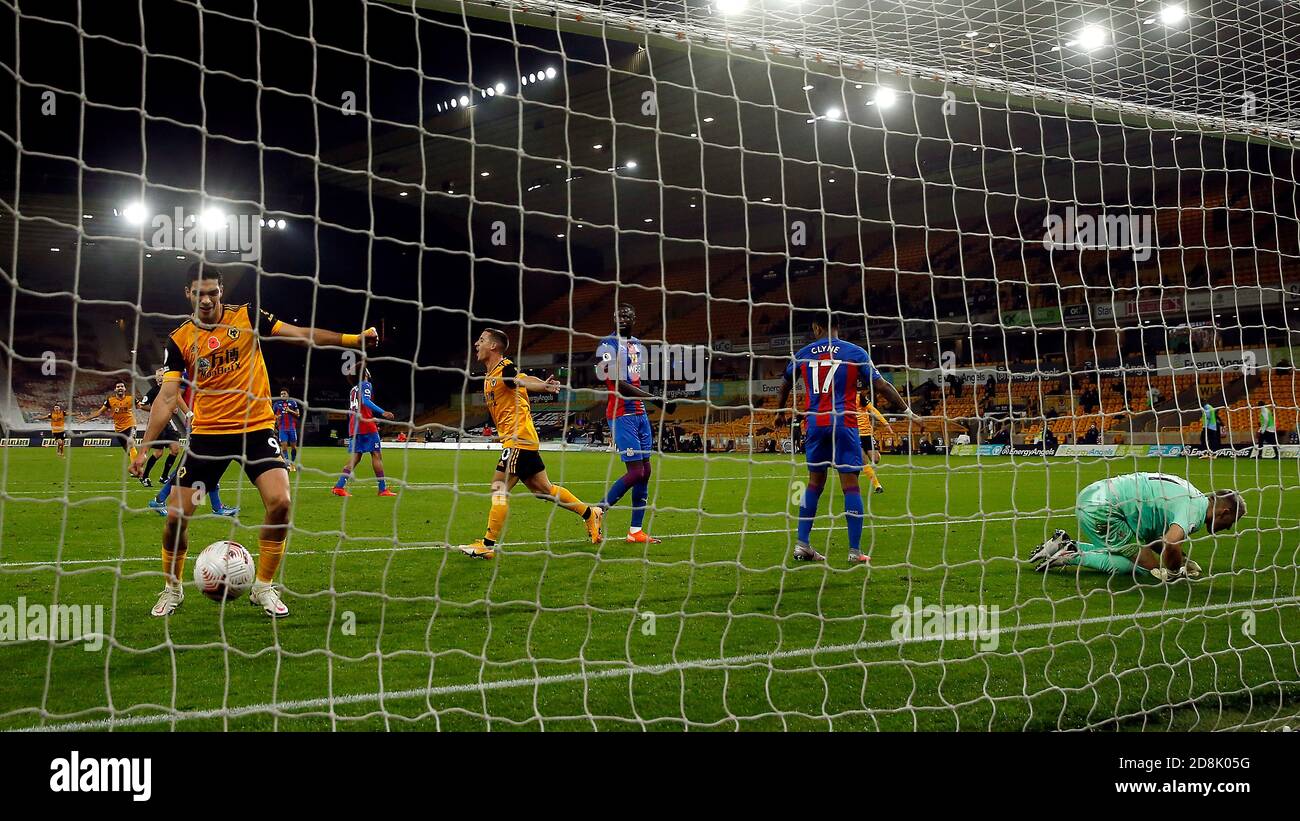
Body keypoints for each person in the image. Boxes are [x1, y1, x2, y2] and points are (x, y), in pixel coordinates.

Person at [131, 262, 377, 618]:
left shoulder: (247, 316)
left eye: (212, 292)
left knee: (280, 502)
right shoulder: (179, 340)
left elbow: (298, 334)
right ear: (188, 293)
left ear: (221, 291)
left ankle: (263, 586)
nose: (206, 300)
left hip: (255, 431)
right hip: (207, 440)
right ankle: (172, 588)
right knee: (177, 517)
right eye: (199, 293)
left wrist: (351, 340)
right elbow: (167, 398)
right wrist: (142, 447)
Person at [774, 311, 921, 564]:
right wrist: (907, 410)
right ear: (838, 327)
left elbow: (786, 381)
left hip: (816, 425)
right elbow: (881, 385)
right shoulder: (854, 352)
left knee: (814, 484)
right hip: (844, 424)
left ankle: (802, 545)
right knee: (850, 486)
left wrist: (779, 412)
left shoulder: (804, 352)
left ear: (816, 327)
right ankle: (854, 552)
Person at [457, 328, 603, 559]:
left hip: (518, 440)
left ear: (493, 346)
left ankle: (487, 544)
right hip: (521, 439)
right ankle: (590, 513)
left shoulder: (505, 368)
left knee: (498, 486)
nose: (477, 343)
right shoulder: (490, 375)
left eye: (482, 340)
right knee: (543, 490)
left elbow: (521, 379)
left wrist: (543, 386)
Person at [1030, 473, 1245, 581]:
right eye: (1231, 522)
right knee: (1143, 569)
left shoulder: (1192, 494)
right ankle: (1072, 553)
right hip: (1104, 509)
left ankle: (1065, 543)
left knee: (1135, 556)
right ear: (1224, 512)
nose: (1228, 529)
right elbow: (1171, 542)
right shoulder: (1195, 510)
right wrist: (1173, 572)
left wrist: (1183, 560)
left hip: (1096, 495)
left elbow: (1158, 537)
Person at [595, 304, 674, 545]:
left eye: (627, 315)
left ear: (634, 319)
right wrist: (656, 400)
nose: (622, 318)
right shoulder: (606, 345)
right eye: (618, 315)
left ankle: (635, 531)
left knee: (645, 472)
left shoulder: (637, 345)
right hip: (620, 413)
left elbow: (634, 378)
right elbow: (617, 383)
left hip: (639, 413)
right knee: (636, 471)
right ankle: (596, 512)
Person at [332, 365, 396, 497]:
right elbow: (365, 401)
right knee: (376, 455)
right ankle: (382, 489)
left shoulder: (353, 389)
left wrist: (370, 417)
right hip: (365, 426)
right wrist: (383, 413)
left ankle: (339, 486)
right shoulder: (365, 384)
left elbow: (358, 408)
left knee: (356, 457)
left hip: (354, 426)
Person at [137, 367, 185, 487]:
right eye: (160, 376)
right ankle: (145, 476)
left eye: (163, 375)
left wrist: (173, 408)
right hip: (157, 423)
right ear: (157, 378)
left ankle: (164, 476)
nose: (162, 377)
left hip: (167, 424)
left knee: (175, 449)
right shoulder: (153, 391)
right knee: (158, 453)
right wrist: (158, 410)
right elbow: (142, 406)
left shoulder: (171, 391)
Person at [85, 380, 140, 472]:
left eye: (122, 386)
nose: (120, 388)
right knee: (129, 451)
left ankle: (136, 469)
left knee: (131, 443)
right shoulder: (110, 401)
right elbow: (99, 412)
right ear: (115, 389)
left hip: (130, 425)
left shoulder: (131, 399)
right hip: (119, 429)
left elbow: (141, 406)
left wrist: (154, 409)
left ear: (125, 389)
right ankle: (136, 465)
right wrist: (87, 418)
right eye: (118, 387)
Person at [271, 390, 302, 471]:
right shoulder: (277, 404)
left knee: (294, 447)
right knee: (284, 447)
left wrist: (289, 410)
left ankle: (292, 463)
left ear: (288, 394)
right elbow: (272, 416)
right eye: (281, 394)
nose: (283, 395)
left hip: (292, 428)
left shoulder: (293, 402)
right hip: (282, 429)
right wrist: (276, 418)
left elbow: (298, 414)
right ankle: (287, 464)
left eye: (284, 393)